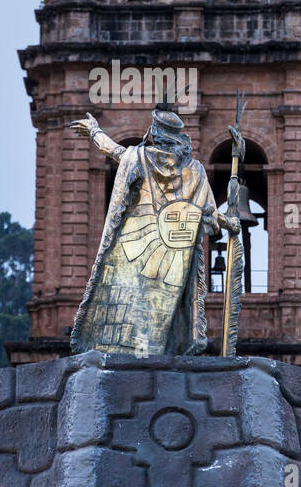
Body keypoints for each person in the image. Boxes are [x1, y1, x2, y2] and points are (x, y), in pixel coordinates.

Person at [70, 107, 239, 356]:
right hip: (174, 261)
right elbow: (208, 214)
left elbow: (114, 151)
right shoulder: (195, 170)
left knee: (130, 305)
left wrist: (94, 131)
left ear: (155, 134)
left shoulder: (139, 157)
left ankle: (129, 355)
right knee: (166, 313)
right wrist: (230, 223)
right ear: (181, 138)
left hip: (136, 250)